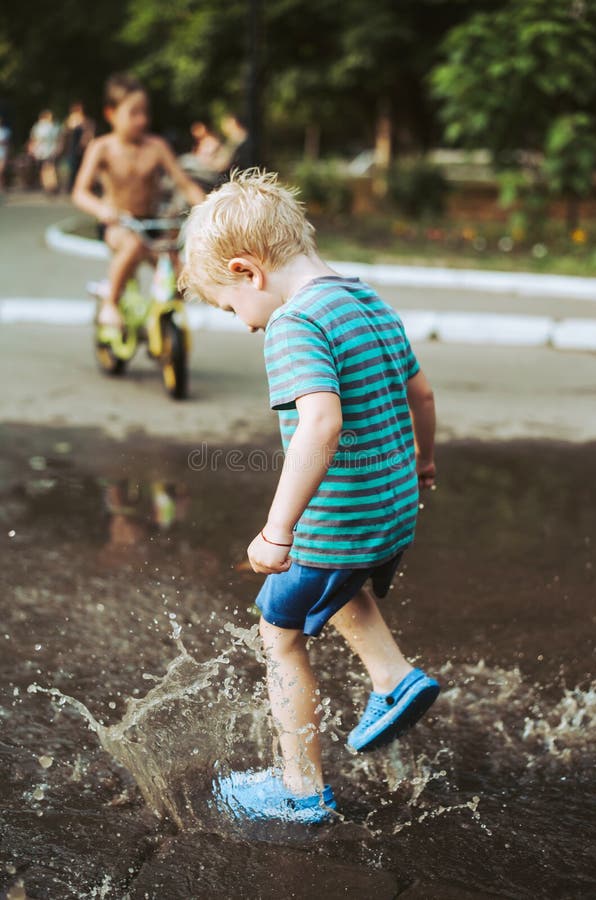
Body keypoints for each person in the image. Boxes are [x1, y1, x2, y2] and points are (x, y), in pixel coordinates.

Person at [179, 170, 440, 824]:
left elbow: (320, 423)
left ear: (248, 272)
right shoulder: (364, 299)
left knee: (278, 632)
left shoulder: (294, 323)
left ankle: (301, 792)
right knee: (341, 582)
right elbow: (422, 394)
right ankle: (391, 675)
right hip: (392, 508)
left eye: (230, 306)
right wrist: (424, 460)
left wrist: (276, 529)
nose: (242, 326)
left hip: (340, 521)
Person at [72, 73, 205, 328]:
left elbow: (185, 184)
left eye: (145, 112)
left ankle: (163, 320)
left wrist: (207, 209)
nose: (142, 119)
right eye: (133, 113)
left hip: (151, 224)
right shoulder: (102, 147)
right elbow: (80, 192)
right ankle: (110, 303)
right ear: (111, 114)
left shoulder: (156, 146)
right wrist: (102, 209)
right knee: (131, 246)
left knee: (180, 273)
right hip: (117, 225)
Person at [63, 101, 94, 191]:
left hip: (82, 148)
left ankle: (83, 185)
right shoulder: (70, 121)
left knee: (82, 166)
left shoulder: (86, 121)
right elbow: (65, 135)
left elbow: (89, 134)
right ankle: (71, 186)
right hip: (72, 148)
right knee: (72, 167)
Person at [29, 110, 61, 194]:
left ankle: (50, 185)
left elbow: (35, 138)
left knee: (48, 167)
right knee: (46, 168)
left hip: (47, 150)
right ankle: (50, 185)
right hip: (43, 150)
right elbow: (35, 138)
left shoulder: (50, 126)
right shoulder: (48, 126)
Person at [0, 116, 11, 192]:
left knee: (2, 170)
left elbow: (8, 143)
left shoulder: (6, 131)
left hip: (3, 153)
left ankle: (3, 185)